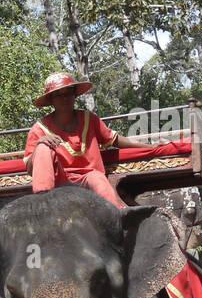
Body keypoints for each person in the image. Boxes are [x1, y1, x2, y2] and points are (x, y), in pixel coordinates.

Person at [24, 72, 157, 206]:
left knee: (98, 179)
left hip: (89, 177)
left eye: (68, 93)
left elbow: (113, 139)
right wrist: (38, 145)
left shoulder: (89, 119)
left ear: (74, 95)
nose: (64, 98)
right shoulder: (39, 128)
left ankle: (117, 217)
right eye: (58, 95)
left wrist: (149, 147)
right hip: (59, 182)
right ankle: (43, 207)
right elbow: (30, 169)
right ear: (51, 100)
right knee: (42, 147)